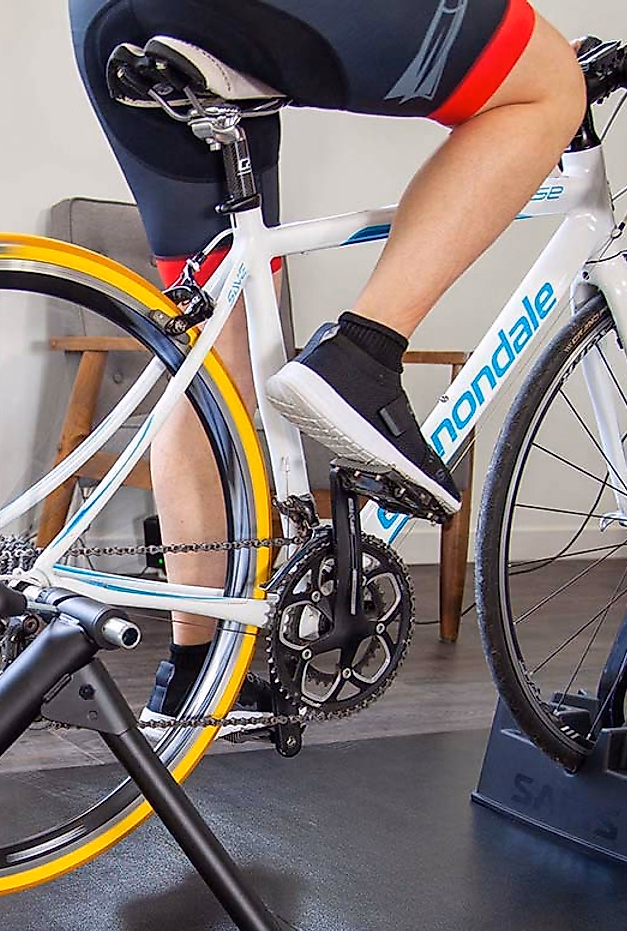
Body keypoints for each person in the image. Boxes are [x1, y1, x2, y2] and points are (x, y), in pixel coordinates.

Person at [68, 0, 587, 726]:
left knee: (218, 360)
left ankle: (196, 674)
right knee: (550, 85)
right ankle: (362, 353)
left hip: (103, 21)